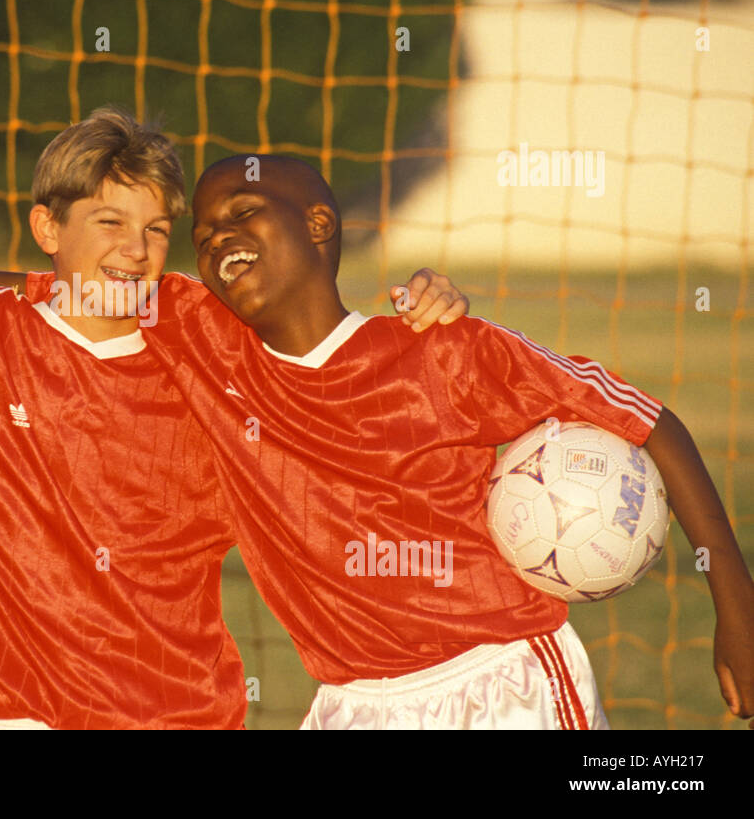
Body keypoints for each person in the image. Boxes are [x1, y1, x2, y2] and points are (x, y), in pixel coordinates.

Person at [0, 109, 469, 728]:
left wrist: (422, 306)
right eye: (108, 222)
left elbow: (325, 356)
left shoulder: (202, 331)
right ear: (47, 229)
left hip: (186, 713)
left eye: (155, 229)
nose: (134, 251)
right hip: (24, 718)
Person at [144, 152, 754, 729]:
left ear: (318, 223)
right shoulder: (205, 348)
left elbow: (648, 421)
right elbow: (81, 279)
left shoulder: (445, 348)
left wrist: (737, 604)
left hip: (499, 682)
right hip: (350, 703)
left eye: (244, 211)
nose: (219, 234)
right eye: (202, 236)